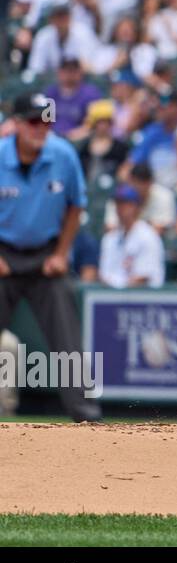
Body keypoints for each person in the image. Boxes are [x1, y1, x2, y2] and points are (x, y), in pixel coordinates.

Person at [0, 93, 99, 421]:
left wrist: (61, 253)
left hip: (45, 253)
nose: (40, 128)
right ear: (14, 123)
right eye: (32, 121)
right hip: (4, 252)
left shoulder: (63, 154)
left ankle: (85, 413)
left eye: (46, 121)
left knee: (66, 334)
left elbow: (76, 205)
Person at [98, 185, 165, 288]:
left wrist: (116, 284)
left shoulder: (148, 236)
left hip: (146, 299)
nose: (120, 208)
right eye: (118, 203)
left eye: (125, 203)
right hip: (115, 298)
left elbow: (142, 279)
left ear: (137, 207)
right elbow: (104, 276)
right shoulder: (109, 238)